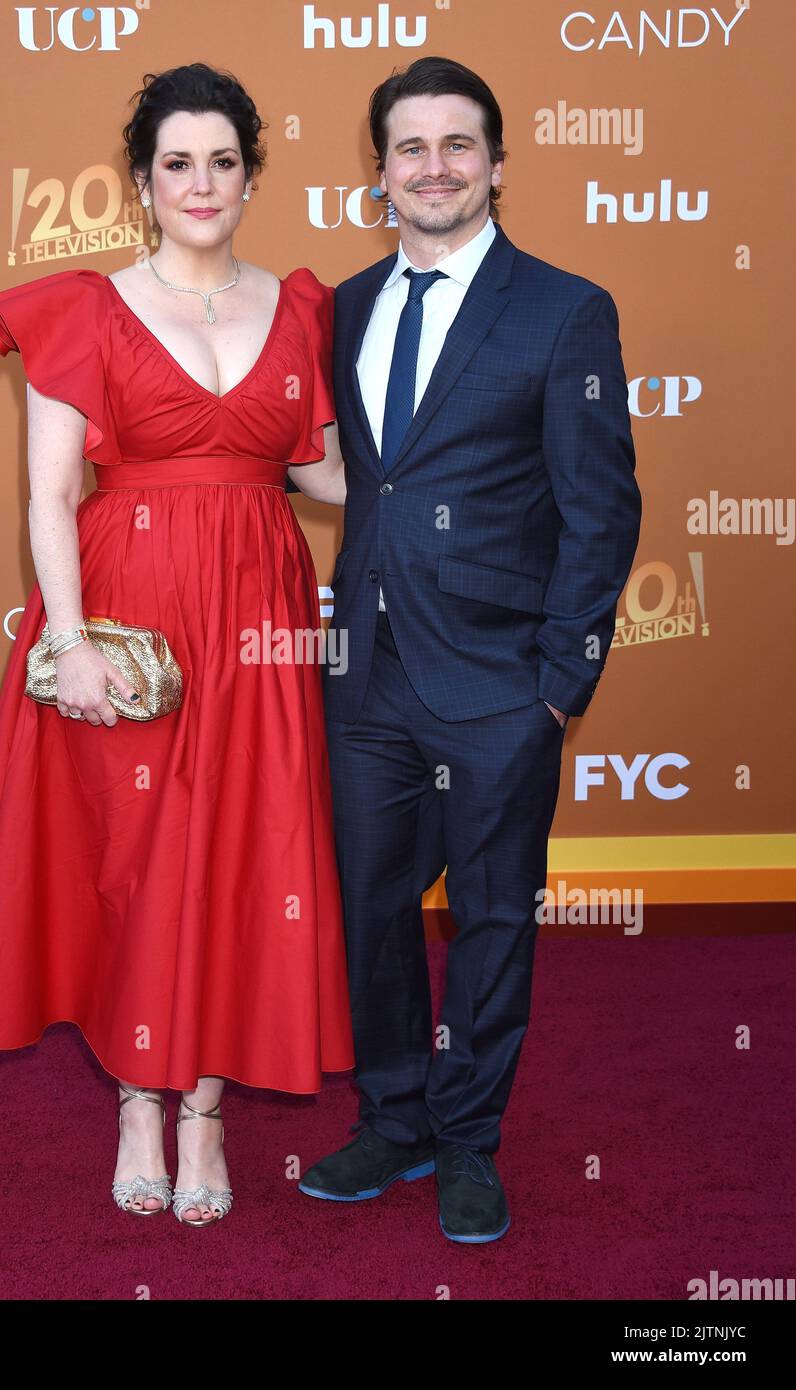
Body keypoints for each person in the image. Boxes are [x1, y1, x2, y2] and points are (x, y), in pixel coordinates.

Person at [0, 63, 355, 1226]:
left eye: (223, 160)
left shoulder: (302, 308)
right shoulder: (84, 308)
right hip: (128, 614)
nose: (201, 182)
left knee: (244, 850)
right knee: (135, 852)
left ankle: (205, 1111)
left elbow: (319, 468)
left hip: (260, 616)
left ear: (250, 175)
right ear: (140, 181)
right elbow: (48, 494)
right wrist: (68, 640)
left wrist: (448, 472)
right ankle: (137, 1097)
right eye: (178, 162)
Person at [298, 56, 642, 1243]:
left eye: (458, 145)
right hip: (366, 676)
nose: (432, 167)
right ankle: (392, 1116)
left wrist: (558, 685)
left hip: (500, 684)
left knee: (492, 919)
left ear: (496, 165)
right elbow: (352, 475)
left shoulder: (562, 308)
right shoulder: (339, 306)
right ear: (378, 171)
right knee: (371, 908)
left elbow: (601, 510)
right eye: (408, 147)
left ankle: (468, 1137)